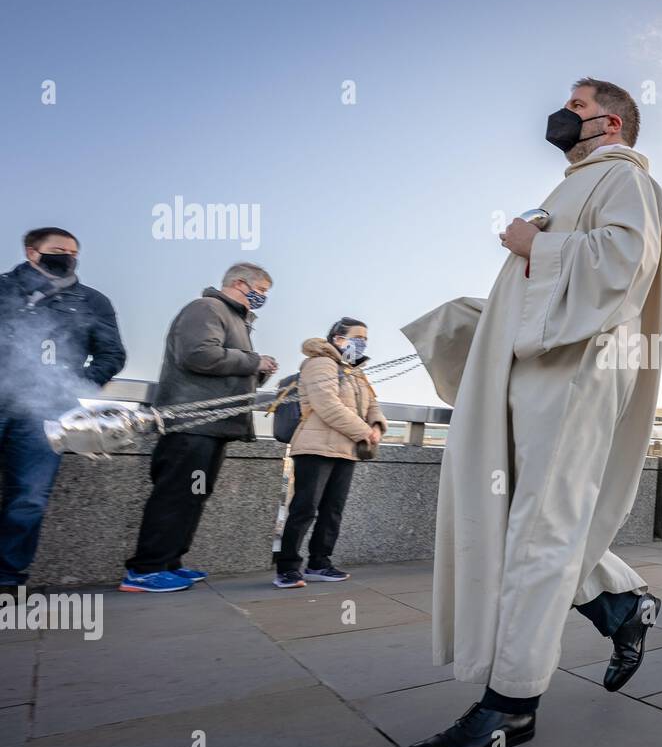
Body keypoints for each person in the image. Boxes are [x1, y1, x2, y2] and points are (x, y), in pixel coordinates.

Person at [399, 78, 662, 747]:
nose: (562, 113)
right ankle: (618, 608)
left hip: (576, 372)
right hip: (541, 371)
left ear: (609, 122)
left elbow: (621, 266)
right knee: (526, 516)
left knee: (540, 526)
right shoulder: (576, 184)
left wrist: (531, 246)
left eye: (576, 106)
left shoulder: (625, 177)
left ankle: (511, 702)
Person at [123, 264, 277, 592]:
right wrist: (254, 361)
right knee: (175, 495)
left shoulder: (237, 319)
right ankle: (144, 570)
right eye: (261, 290)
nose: (263, 297)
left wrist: (259, 371)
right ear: (240, 283)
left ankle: (169, 562)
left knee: (193, 496)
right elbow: (198, 355)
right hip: (192, 425)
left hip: (215, 426)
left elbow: (225, 364)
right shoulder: (206, 308)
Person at [0, 228, 125, 588]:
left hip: (45, 413)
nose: (67, 257)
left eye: (72, 252)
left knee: (29, 499)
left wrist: (75, 387)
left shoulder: (92, 301)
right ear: (32, 252)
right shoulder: (4, 288)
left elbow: (112, 354)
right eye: (57, 250)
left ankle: (7, 579)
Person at [272, 318, 387, 588]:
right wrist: (363, 431)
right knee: (304, 508)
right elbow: (327, 405)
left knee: (333, 509)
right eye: (357, 337)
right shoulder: (319, 363)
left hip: (346, 448)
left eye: (365, 339)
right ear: (337, 338)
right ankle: (287, 568)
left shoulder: (356, 372)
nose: (362, 343)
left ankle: (319, 562)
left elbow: (373, 403)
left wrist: (377, 426)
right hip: (315, 446)